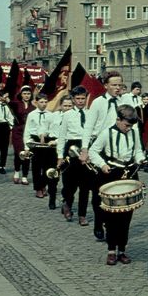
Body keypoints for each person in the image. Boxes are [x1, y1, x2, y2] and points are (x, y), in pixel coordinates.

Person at [89, 105, 146, 265]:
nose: (129, 129)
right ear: (118, 120)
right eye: (126, 125)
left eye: (131, 126)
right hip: (110, 174)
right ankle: (111, 250)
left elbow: (138, 151)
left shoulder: (134, 133)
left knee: (126, 214)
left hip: (128, 174)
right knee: (111, 215)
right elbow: (93, 151)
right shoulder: (106, 133)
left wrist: (140, 159)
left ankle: (122, 249)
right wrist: (102, 164)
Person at [83, 70, 125, 241]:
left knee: (116, 191)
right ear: (106, 86)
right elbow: (89, 126)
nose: (117, 88)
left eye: (119, 85)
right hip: (100, 150)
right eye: (114, 85)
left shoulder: (126, 101)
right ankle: (99, 221)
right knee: (99, 190)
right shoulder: (98, 103)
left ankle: (110, 223)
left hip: (119, 150)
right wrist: (85, 149)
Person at [58, 86, 91, 224]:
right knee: (69, 184)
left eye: (83, 98)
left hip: (86, 147)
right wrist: (60, 156)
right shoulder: (67, 115)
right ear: (73, 99)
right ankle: (67, 204)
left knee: (85, 185)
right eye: (77, 98)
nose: (80, 101)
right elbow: (61, 136)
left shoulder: (91, 114)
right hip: (70, 148)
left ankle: (82, 215)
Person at [25, 93, 55, 201]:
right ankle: (38, 188)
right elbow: (27, 130)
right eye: (41, 102)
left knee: (47, 165)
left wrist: (45, 134)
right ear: (36, 102)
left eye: (45, 102)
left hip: (47, 142)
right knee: (36, 166)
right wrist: (27, 147)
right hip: (35, 141)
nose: (44, 104)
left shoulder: (51, 115)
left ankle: (43, 184)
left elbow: (52, 128)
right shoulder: (31, 115)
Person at [9, 85, 35, 185]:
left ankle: (24, 176)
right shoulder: (16, 104)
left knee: (27, 154)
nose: (26, 96)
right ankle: (16, 172)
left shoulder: (33, 107)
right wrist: (5, 97)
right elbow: (9, 103)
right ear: (21, 94)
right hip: (18, 132)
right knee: (18, 153)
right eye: (24, 94)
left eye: (28, 94)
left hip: (28, 132)